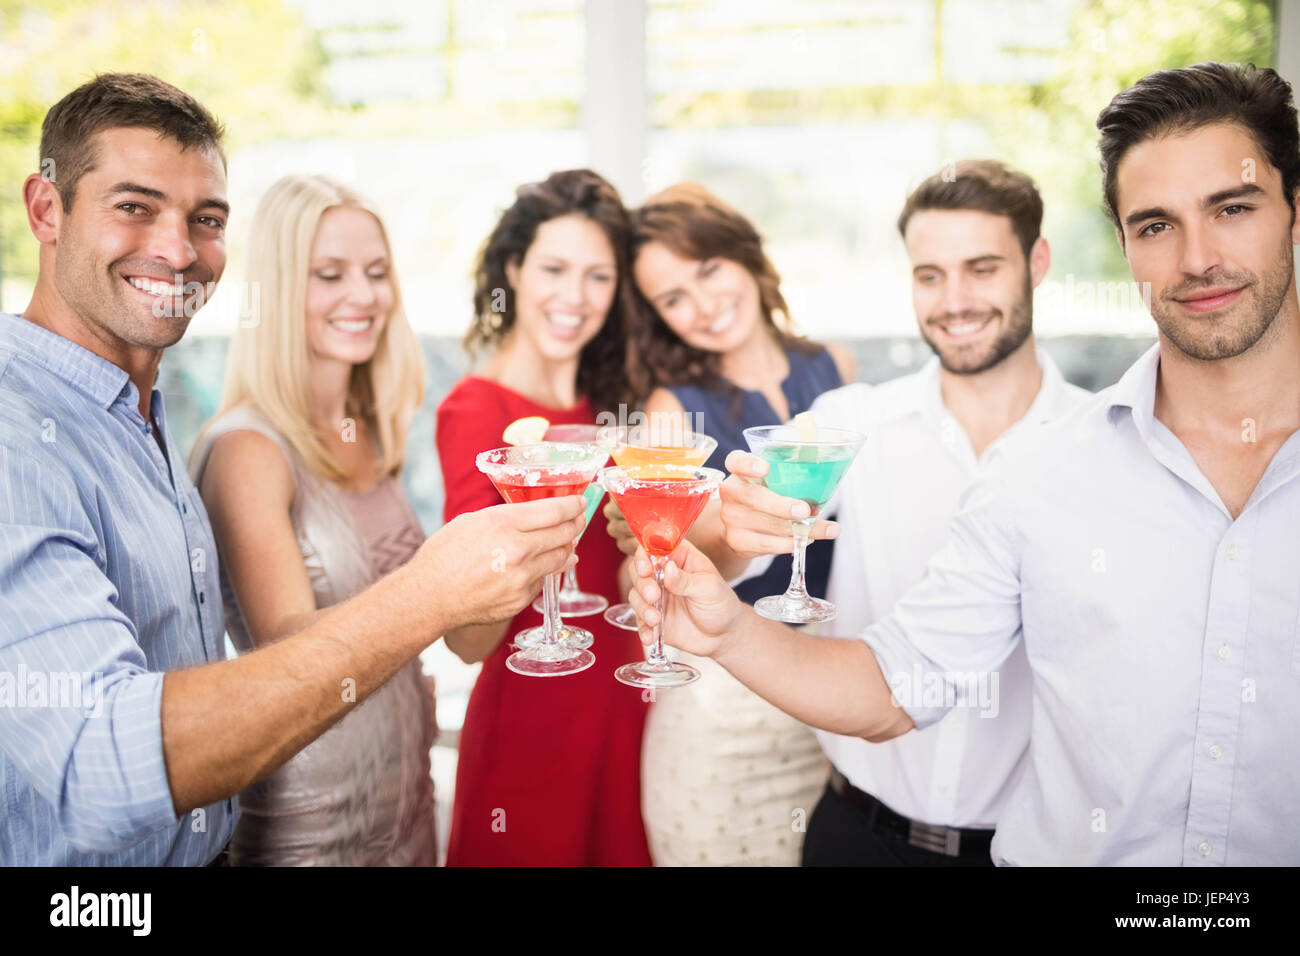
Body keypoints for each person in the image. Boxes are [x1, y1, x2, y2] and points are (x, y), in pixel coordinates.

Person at [625, 61, 1300, 865]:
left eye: (1232, 208)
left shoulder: (1056, 447)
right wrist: (723, 583)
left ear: (1037, 263)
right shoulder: (912, 440)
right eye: (1156, 225)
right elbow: (889, 673)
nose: (1197, 258)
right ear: (1125, 243)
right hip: (863, 830)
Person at [0, 73, 585, 866]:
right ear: (46, 210)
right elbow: (103, 757)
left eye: (204, 220)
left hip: (380, 807)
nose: (176, 249)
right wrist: (435, 588)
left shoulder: (144, 417)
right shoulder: (25, 435)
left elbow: (458, 637)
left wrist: (523, 554)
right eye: (133, 207)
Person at [727, 160, 1090, 866]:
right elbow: (740, 539)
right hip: (854, 836)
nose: (954, 300)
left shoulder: (1100, 445)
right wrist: (724, 522)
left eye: (982, 269)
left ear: (1037, 262)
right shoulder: (850, 421)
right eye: (929, 275)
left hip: (1027, 852)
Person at [189, 175, 436, 865]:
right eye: (329, 274)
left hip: (409, 803)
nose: (364, 296)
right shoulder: (248, 449)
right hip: (312, 824)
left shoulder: (375, 429)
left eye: (377, 272)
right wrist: (446, 582)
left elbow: (461, 635)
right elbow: (291, 652)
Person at [611, 183, 855, 866]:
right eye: (673, 299)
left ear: (745, 256)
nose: (705, 306)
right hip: (725, 717)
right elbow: (649, 558)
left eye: (709, 270)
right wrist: (709, 537)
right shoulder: (670, 409)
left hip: (835, 700)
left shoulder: (836, 370)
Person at [435, 169, 652, 866]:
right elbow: (468, 640)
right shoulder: (477, 410)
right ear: (513, 270)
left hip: (623, 714)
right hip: (534, 724)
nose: (574, 297)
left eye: (598, 276)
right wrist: (532, 544)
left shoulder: (613, 405)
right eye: (554, 268)